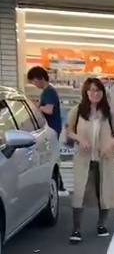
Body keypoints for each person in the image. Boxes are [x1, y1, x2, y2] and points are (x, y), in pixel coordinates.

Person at [64, 78, 114, 244]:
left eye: (98, 90)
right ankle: (76, 229)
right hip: (83, 158)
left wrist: (110, 144)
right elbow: (68, 131)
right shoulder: (78, 110)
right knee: (79, 193)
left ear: (102, 93)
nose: (94, 94)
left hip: (105, 158)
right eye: (91, 90)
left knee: (104, 192)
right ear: (86, 92)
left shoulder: (108, 112)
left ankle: (102, 225)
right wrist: (80, 139)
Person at [27, 66, 66, 194]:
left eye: (34, 81)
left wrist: (35, 106)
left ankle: (59, 185)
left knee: (52, 157)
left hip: (52, 129)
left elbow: (49, 109)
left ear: (41, 78)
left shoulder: (49, 92)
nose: (34, 84)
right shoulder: (48, 91)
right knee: (51, 157)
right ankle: (59, 184)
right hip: (51, 129)